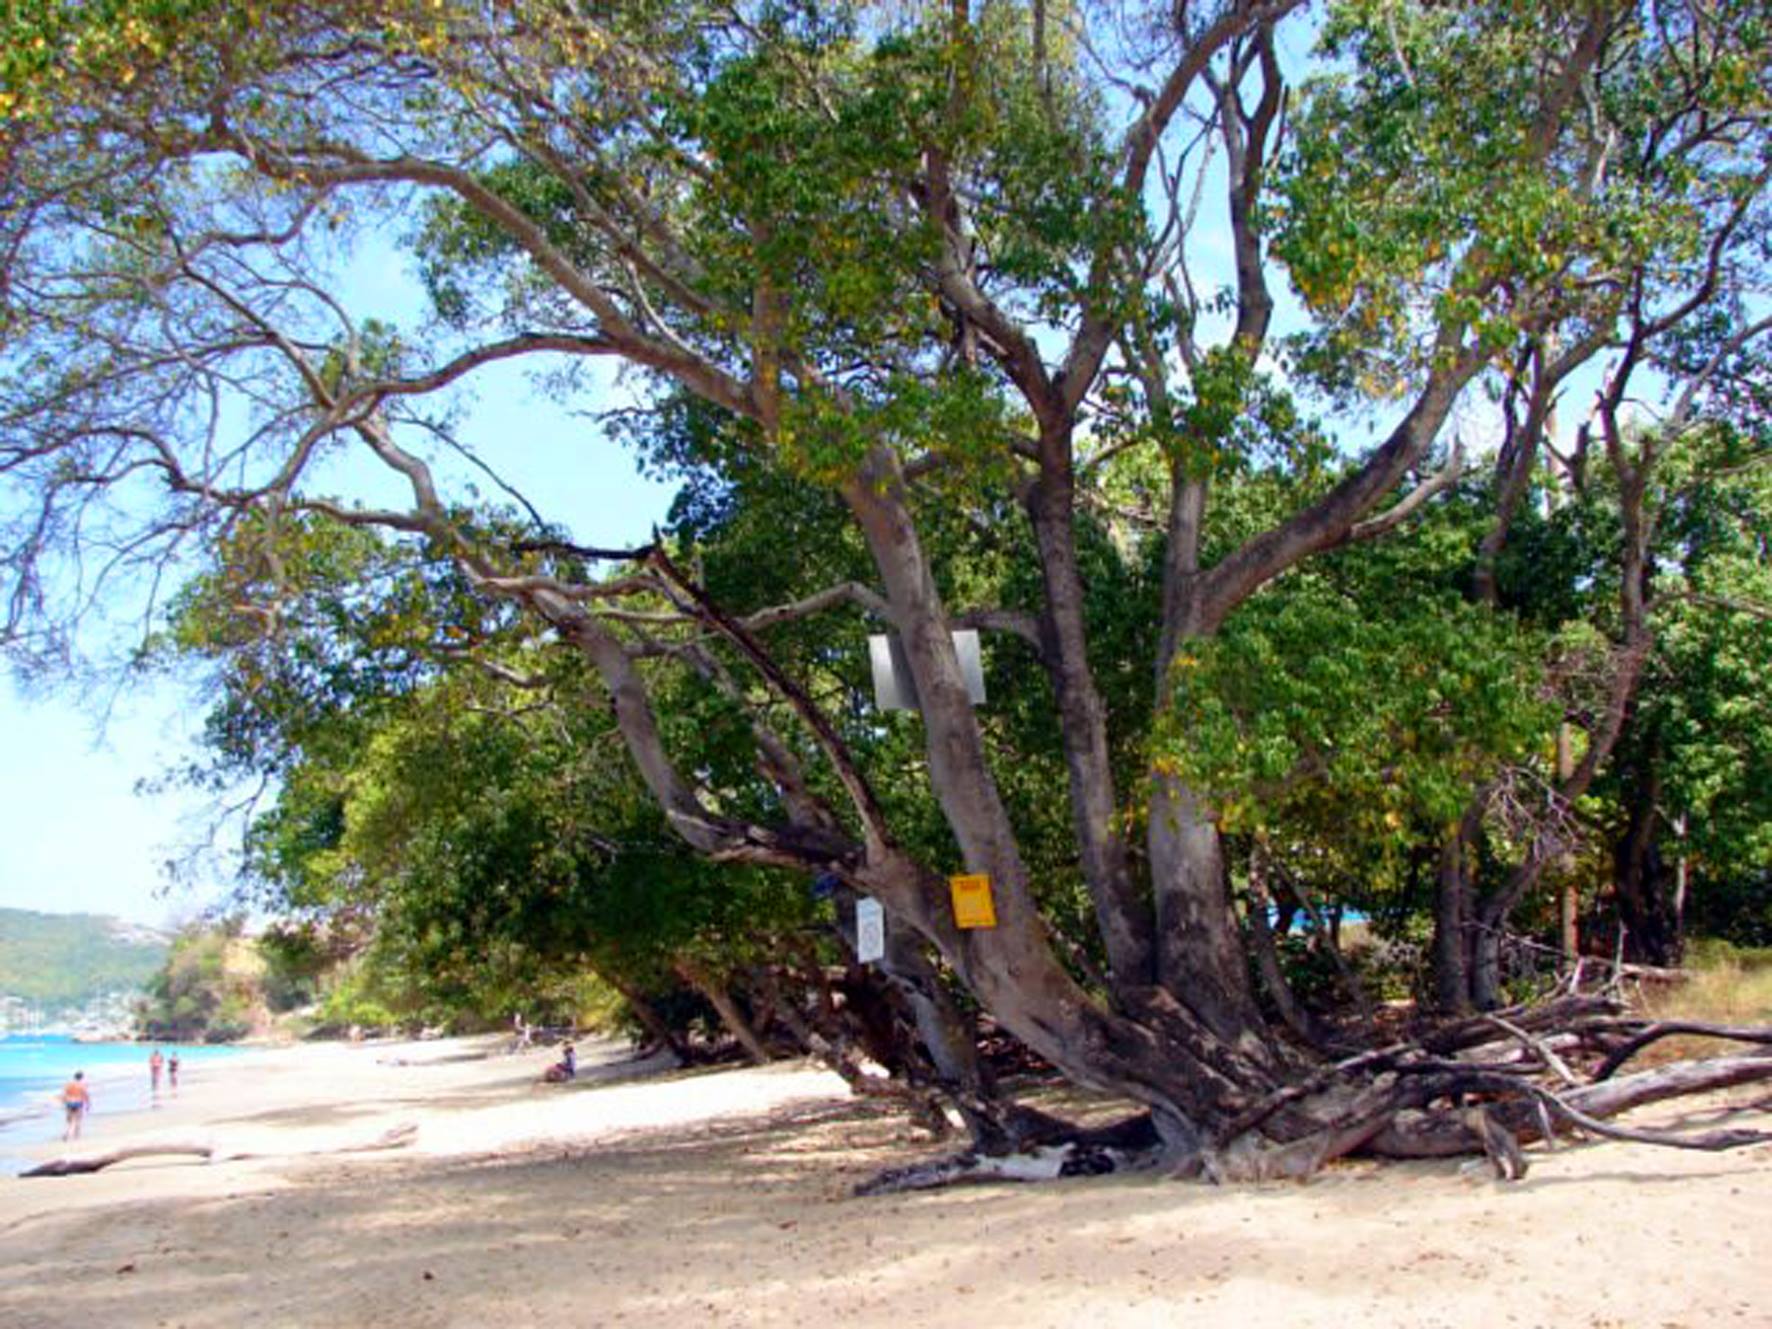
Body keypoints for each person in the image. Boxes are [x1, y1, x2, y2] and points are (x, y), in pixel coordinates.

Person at [61, 1072, 91, 1142]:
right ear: (82, 1077)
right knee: (77, 1120)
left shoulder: (68, 1085)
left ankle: (71, 1132)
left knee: (70, 1120)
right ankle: (72, 1135)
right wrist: (88, 1105)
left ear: (74, 1077)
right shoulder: (82, 1085)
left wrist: (64, 1103)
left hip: (69, 1103)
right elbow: (85, 1095)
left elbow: (64, 1095)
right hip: (78, 1103)